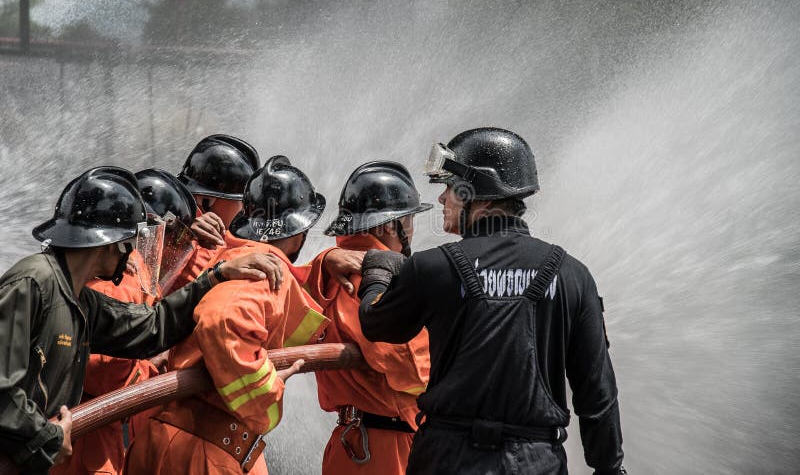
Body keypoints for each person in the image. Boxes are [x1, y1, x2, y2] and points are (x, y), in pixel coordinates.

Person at [358, 128, 626, 474]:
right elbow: (597, 395)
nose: (441, 199)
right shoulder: (573, 275)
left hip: (446, 461)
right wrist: (609, 468)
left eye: (450, 187)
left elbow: (375, 324)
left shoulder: (432, 268)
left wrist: (377, 273)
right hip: (535, 464)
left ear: (480, 193)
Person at [0, 166, 283, 474]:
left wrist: (216, 276)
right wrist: (47, 435)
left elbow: (151, 328)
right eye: (132, 240)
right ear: (112, 242)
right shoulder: (33, 282)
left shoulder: (80, 299)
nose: (135, 252)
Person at [124, 156, 333, 475]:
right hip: (206, 455)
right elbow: (221, 322)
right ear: (299, 232)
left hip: (176, 441)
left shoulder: (229, 259)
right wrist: (266, 390)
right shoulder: (265, 268)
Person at [304, 161, 431, 475]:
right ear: (390, 226)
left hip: (353, 446)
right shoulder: (372, 282)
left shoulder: (325, 274)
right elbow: (414, 370)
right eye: (410, 219)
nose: (412, 229)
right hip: (389, 451)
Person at [171, 134, 261, 290]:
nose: (244, 210)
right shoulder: (204, 252)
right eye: (241, 201)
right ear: (207, 199)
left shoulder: (169, 227)